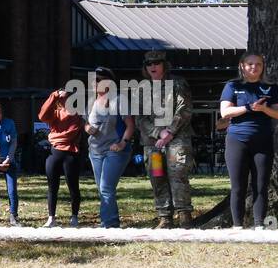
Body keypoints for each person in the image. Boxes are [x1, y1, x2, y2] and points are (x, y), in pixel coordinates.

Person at [220, 52, 278, 229]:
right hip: (237, 140)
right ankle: (237, 226)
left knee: (260, 185)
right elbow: (225, 112)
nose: (254, 67)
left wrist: (264, 109)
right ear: (242, 66)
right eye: (250, 64)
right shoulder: (232, 86)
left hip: (262, 142)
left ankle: (258, 226)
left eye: (258, 64)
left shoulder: (271, 87)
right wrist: (248, 107)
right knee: (238, 186)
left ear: (263, 67)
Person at [134, 50, 196, 228]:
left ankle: (184, 214)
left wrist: (170, 131)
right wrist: (157, 132)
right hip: (152, 142)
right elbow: (139, 117)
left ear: (164, 64)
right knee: (157, 176)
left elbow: (184, 109)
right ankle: (165, 217)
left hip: (177, 139)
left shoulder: (177, 83)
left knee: (177, 175)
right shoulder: (142, 88)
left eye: (157, 63)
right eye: (149, 64)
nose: (153, 66)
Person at [84, 68, 135, 229]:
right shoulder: (90, 101)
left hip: (115, 150)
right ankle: (109, 221)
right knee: (102, 189)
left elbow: (130, 125)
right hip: (95, 151)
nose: (95, 82)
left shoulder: (119, 100)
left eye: (98, 79)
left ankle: (109, 224)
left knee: (106, 187)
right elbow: (85, 122)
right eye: (93, 79)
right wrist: (86, 128)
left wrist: (122, 143)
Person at [37, 85, 86, 227]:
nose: (66, 99)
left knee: (73, 186)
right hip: (55, 152)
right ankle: (51, 218)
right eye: (64, 96)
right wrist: (55, 95)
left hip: (71, 153)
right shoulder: (55, 113)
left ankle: (74, 217)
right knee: (52, 186)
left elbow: (72, 131)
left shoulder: (78, 114)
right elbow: (42, 116)